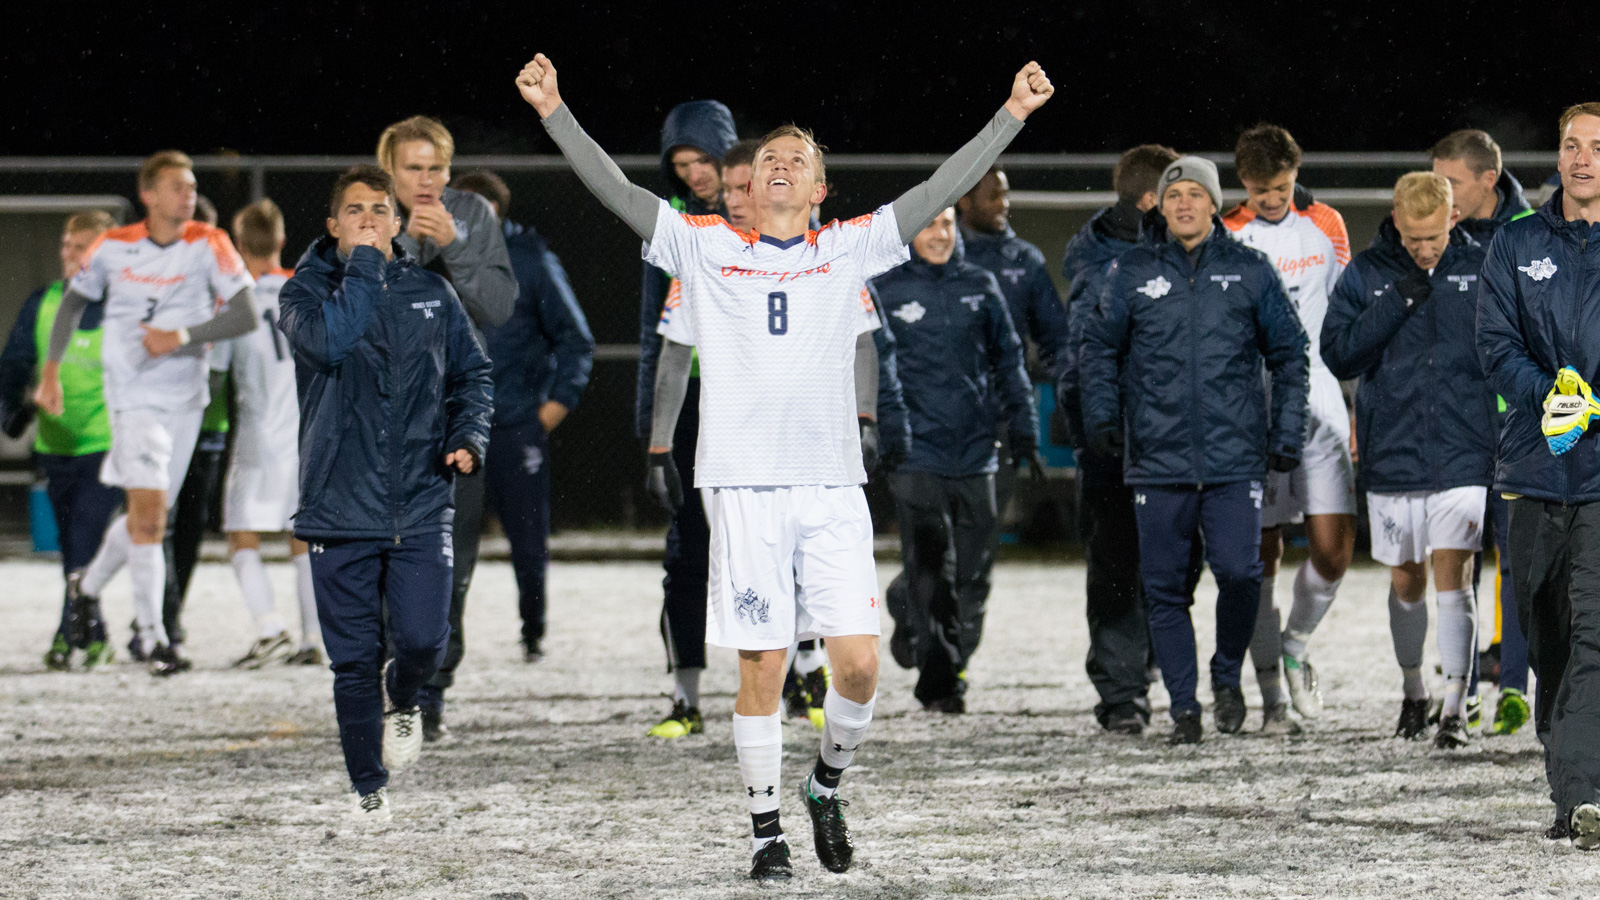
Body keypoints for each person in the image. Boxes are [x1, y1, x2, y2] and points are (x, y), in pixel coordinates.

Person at [517, 51, 1053, 880]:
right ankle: (766, 834)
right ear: (750, 179)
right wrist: (554, 111)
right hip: (744, 491)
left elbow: (939, 188)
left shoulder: (847, 249)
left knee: (860, 667)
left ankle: (825, 785)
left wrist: (1010, 114)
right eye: (770, 155)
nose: (780, 163)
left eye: (797, 159)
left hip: (831, 488)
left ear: (819, 190)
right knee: (763, 666)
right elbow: (616, 192)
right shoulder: (700, 246)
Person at [279, 165, 492, 822]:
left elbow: (473, 375)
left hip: (421, 502)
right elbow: (333, 342)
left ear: (398, 222)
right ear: (332, 226)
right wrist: (367, 268)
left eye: (380, 209)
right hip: (338, 506)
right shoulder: (302, 294)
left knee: (425, 641)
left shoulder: (431, 291)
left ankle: (404, 697)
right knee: (352, 661)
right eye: (355, 210)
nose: (369, 219)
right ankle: (368, 788)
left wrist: (468, 435)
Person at [1080, 156, 1309, 745]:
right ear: (1160, 205)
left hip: (1234, 458)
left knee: (1241, 574)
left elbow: (1290, 353)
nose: (1184, 203)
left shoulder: (1250, 270)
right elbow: (1098, 348)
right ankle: (1185, 707)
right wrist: (1102, 417)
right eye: (1173, 194)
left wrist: (1287, 432)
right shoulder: (1131, 271)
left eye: (1194, 194)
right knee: (1164, 591)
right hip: (1157, 461)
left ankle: (1226, 675)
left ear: (1214, 203)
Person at [35, 150, 259, 676]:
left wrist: (180, 336)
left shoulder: (211, 242)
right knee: (152, 519)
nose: (189, 195)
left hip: (187, 400)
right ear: (148, 195)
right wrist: (50, 373)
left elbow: (246, 314)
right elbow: (72, 303)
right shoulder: (113, 246)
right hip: (132, 398)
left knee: (146, 519)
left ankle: (86, 587)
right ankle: (156, 639)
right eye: (178, 186)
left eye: (192, 186)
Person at [1322, 172, 1493, 748]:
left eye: (1435, 238)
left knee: (1455, 574)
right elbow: (1338, 354)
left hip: (1464, 449)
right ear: (1396, 220)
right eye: (1414, 238)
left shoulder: (1483, 267)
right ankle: (1414, 691)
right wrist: (1398, 299)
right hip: (1393, 450)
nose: (1425, 249)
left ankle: (1455, 709)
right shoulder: (1367, 273)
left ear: (1453, 219)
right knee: (1406, 580)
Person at [1476, 101, 1600, 848]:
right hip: (1533, 466)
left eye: (1598, 147)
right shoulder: (1515, 242)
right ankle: (1572, 793)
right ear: (1557, 156)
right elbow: (1495, 342)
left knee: (1595, 635)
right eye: (1572, 145)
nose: (1584, 158)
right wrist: (1549, 396)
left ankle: (1586, 792)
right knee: (1547, 637)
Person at [378, 116, 515, 737]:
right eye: (413, 169)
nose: (427, 181)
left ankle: (429, 687)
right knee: (378, 555)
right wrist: (404, 243)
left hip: (453, 410)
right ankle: (384, 677)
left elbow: (498, 308)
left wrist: (457, 244)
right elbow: (357, 306)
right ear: (389, 171)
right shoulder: (368, 211)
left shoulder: (473, 215)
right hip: (380, 413)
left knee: (449, 560)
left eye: (436, 168)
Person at [872, 206, 1038, 713]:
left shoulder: (980, 285)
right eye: (928, 225)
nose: (939, 234)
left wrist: (1024, 428)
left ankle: (915, 614)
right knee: (932, 566)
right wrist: (883, 432)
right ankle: (941, 681)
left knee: (973, 570)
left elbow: (1009, 360)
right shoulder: (885, 289)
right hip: (915, 451)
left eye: (945, 224)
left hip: (976, 449)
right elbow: (871, 368)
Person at [1222, 124, 1354, 731]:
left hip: (1320, 395)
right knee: (1260, 555)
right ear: (1243, 185)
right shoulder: (1228, 230)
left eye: (1280, 188)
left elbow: (1345, 311)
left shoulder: (1326, 223)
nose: (1271, 200)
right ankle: (1272, 694)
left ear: (1295, 175)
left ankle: (1296, 644)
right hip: (1255, 406)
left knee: (1333, 550)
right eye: (1259, 191)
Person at [451, 168, 595, 695]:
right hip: (455, 432)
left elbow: (575, 340)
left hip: (514, 427)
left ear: (497, 214)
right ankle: (442, 644)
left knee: (528, 544)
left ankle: (533, 630)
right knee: (449, 547)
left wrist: (548, 413)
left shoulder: (530, 259)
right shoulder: (436, 258)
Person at [1059, 144, 1180, 735]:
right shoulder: (1104, 268)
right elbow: (1082, 362)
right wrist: (1095, 434)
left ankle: (1142, 666)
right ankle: (1122, 695)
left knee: (1175, 565)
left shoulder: (1178, 255)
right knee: (1115, 567)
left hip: (1174, 441)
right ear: (1154, 201)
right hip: (1118, 440)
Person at [634, 102, 737, 740]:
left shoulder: (771, 208)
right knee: (689, 549)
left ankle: (800, 678)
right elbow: (655, 331)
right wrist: (654, 430)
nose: (695, 174)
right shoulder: (669, 223)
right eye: (682, 164)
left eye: (704, 160)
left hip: (758, 398)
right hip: (694, 401)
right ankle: (686, 696)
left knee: (775, 547)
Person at [1430, 128, 1537, 735]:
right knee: (1456, 556)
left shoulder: (1536, 233)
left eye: (1450, 182)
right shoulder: (1439, 237)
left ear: (1488, 180)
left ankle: (1514, 686)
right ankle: (1462, 689)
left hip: (1520, 423)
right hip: (1458, 424)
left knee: (1518, 558)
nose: (1440, 193)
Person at [0, 210, 119, 670]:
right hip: (54, 448)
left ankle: (66, 634)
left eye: (80, 247)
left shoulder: (123, 306)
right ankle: (95, 633)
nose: (68, 254)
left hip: (105, 444)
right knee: (72, 545)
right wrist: (13, 413)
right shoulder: (44, 302)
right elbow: (13, 365)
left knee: (84, 536)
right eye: (66, 245)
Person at [220, 199, 322, 668]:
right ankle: (313, 637)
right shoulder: (307, 291)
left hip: (258, 434)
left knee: (240, 533)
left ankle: (269, 628)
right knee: (303, 536)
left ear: (239, 244)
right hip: (305, 431)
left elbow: (216, 367)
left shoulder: (233, 300)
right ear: (281, 240)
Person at [955, 165, 1067, 519]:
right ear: (965, 201)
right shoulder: (939, 252)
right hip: (939, 414)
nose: (1004, 204)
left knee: (983, 528)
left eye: (1005, 194)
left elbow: (1056, 338)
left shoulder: (1025, 259)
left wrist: (1068, 394)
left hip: (1000, 416)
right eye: (994, 196)